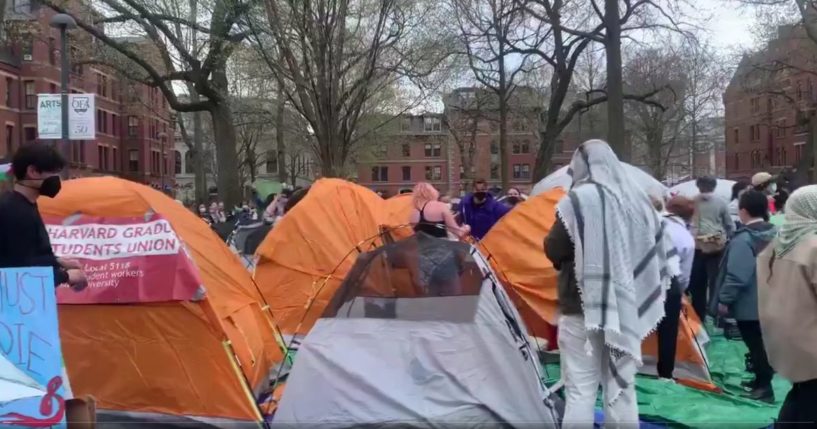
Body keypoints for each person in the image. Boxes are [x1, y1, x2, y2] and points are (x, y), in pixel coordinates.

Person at [544, 140, 676, 428]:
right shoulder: (637, 199)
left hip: (580, 307)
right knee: (623, 389)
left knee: (581, 390)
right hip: (626, 306)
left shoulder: (578, 199)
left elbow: (555, 247)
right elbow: (657, 248)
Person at [757, 185, 817, 426]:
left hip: (787, 341)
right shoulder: (813, 247)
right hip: (812, 339)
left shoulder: (775, 245)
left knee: (803, 396)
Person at [714, 190, 777, 402]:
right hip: (771, 298)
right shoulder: (776, 234)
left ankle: (764, 386)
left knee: (756, 345)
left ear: (743, 211)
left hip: (749, 303)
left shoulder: (743, 240)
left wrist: (724, 299)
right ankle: (761, 381)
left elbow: (737, 275)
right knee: (764, 344)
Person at [0, 144, 86, 290]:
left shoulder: (24, 204)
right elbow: (20, 268)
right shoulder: (14, 211)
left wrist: (57, 261)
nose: (57, 179)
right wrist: (67, 276)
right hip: (18, 305)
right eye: (53, 172)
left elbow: (27, 253)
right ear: (32, 171)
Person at [656, 195, 696, 380]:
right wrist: (680, 291)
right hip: (669, 285)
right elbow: (684, 274)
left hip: (638, 281)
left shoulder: (649, 224)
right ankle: (665, 373)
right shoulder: (685, 237)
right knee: (668, 332)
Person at [689, 176, 734, 322]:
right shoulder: (721, 202)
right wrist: (729, 239)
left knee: (698, 284)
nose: (705, 191)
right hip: (715, 247)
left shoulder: (692, 202)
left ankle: (699, 315)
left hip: (698, 247)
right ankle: (713, 314)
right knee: (715, 282)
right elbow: (729, 224)